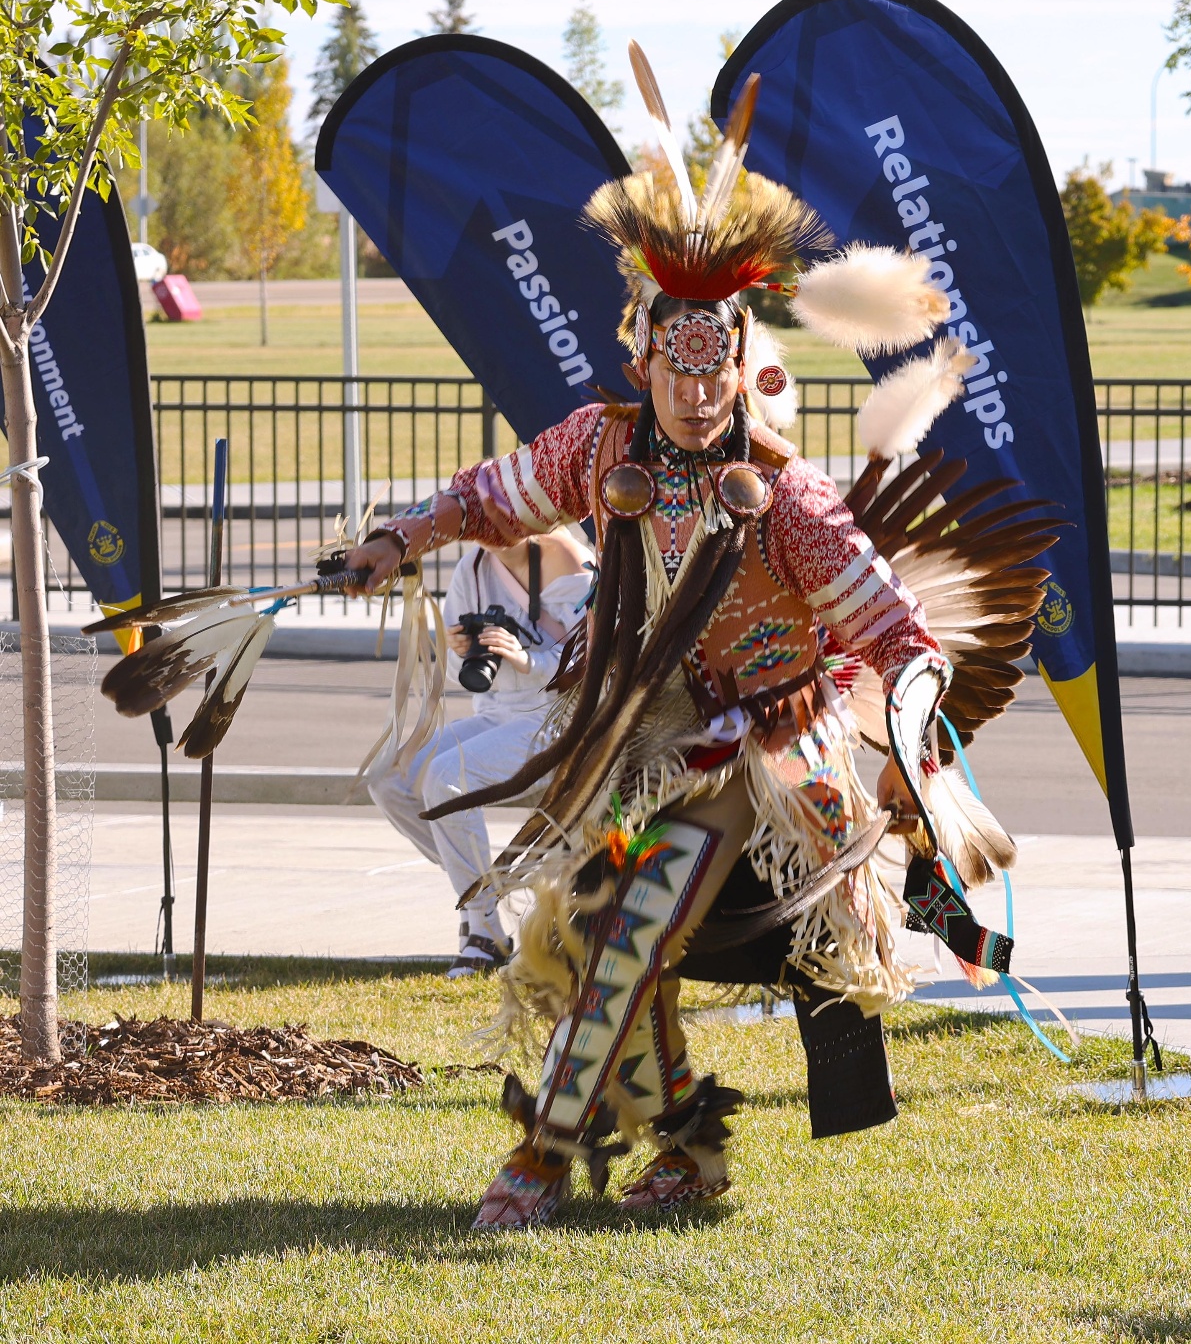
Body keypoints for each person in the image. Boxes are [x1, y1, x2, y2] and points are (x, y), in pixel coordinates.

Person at [337, 73, 1046, 1231]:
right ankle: (683, 1145)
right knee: (594, 918)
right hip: (632, 734)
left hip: (759, 751)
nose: (697, 387)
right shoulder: (594, 447)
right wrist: (397, 536)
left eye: (718, 366)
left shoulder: (786, 498)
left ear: (739, 366)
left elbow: (895, 632)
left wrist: (913, 734)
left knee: (637, 902)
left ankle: (543, 1151)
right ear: (645, 360)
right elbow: (488, 497)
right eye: (679, 364)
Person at [364, 529, 592, 978]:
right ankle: (483, 896)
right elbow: (462, 670)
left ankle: (483, 933)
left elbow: (592, 661)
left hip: (557, 720)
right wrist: (464, 649)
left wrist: (529, 659)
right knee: (388, 776)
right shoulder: (473, 566)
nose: (489, 530)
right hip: (497, 715)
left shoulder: (574, 563)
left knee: (445, 777)